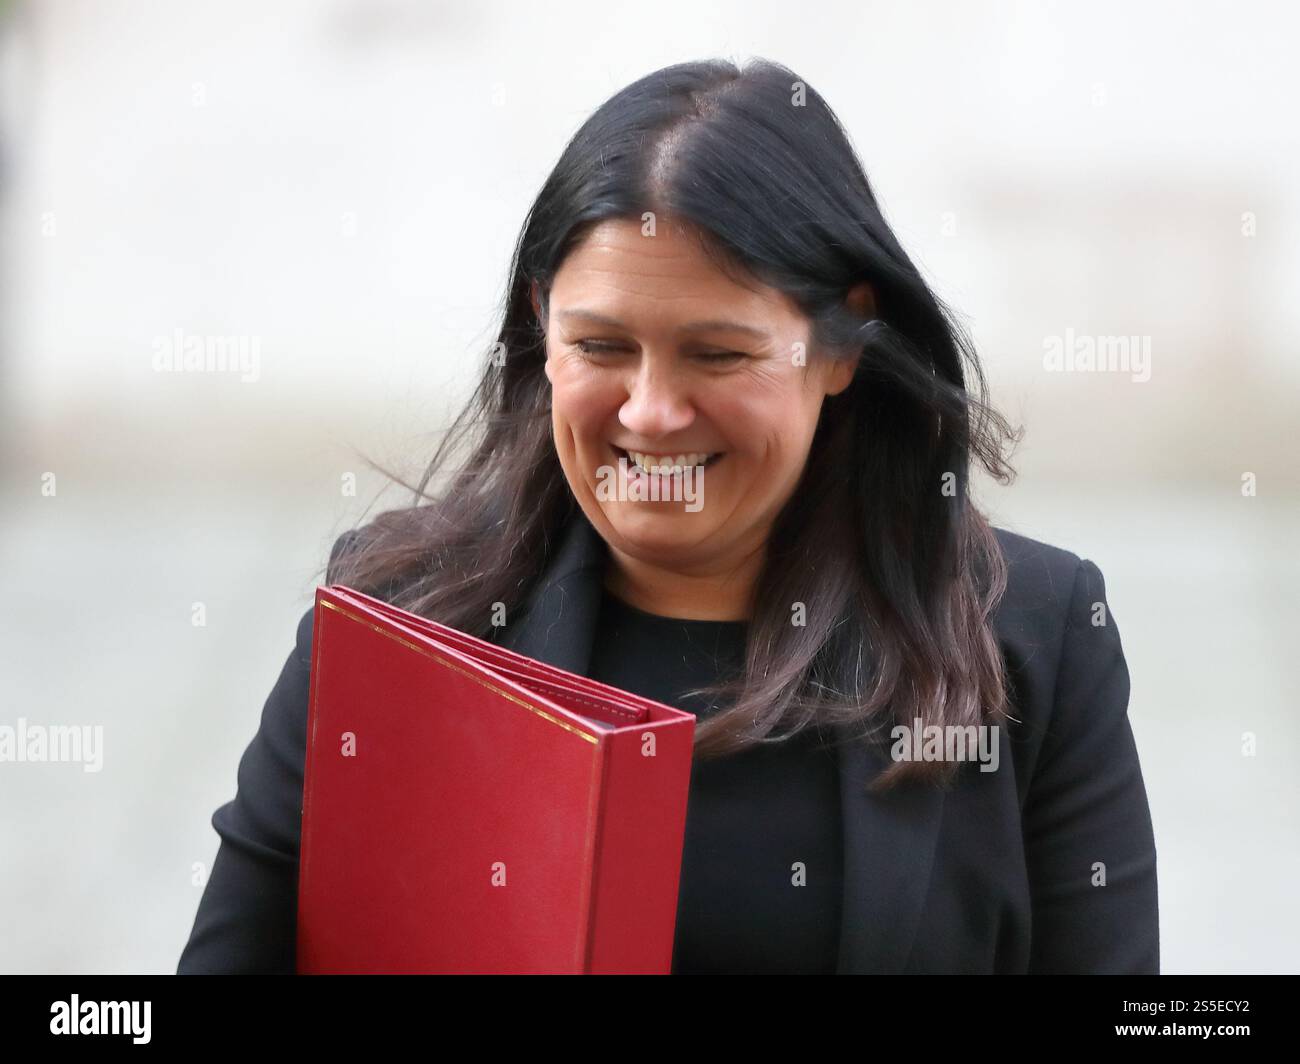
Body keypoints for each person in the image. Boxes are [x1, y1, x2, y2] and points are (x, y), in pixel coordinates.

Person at [178, 56, 1158, 974]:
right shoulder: (400, 617)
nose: (650, 411)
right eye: (601, 345)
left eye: (718, 354)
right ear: (540, 328)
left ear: (840, 343)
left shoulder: (1030, 632)